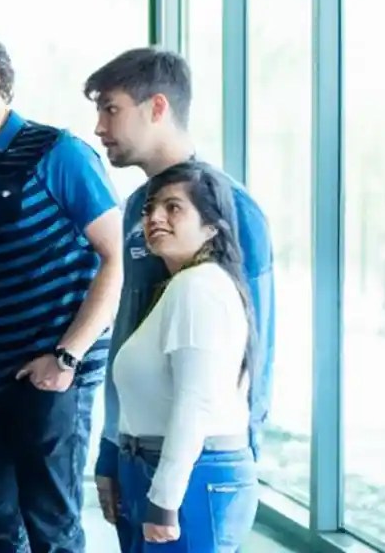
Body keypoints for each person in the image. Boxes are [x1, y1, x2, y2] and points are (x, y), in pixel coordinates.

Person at [0, 27, 123, 553]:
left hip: (48, 379)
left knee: (50, 530)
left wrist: (66, 357)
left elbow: (115, 259)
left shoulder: (59, 153)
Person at [82, 47, 274, 551]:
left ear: (157, 108)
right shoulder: (134, 214)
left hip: (197, 463)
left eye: (111, 109)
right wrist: (111, 450)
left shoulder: (233, 209)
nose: (99, 127)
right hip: (136, 451)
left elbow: (255, 348)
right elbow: (127, 331)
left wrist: (242, 453)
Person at [112, 161, 260, 551]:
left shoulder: (200, 288)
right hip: (165, 469)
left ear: (211, 226)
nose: (155, 217)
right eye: (149, 209)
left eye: (173, 207)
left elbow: (195, 402)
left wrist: (164, 500)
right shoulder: (183, 285)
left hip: (190, 477)